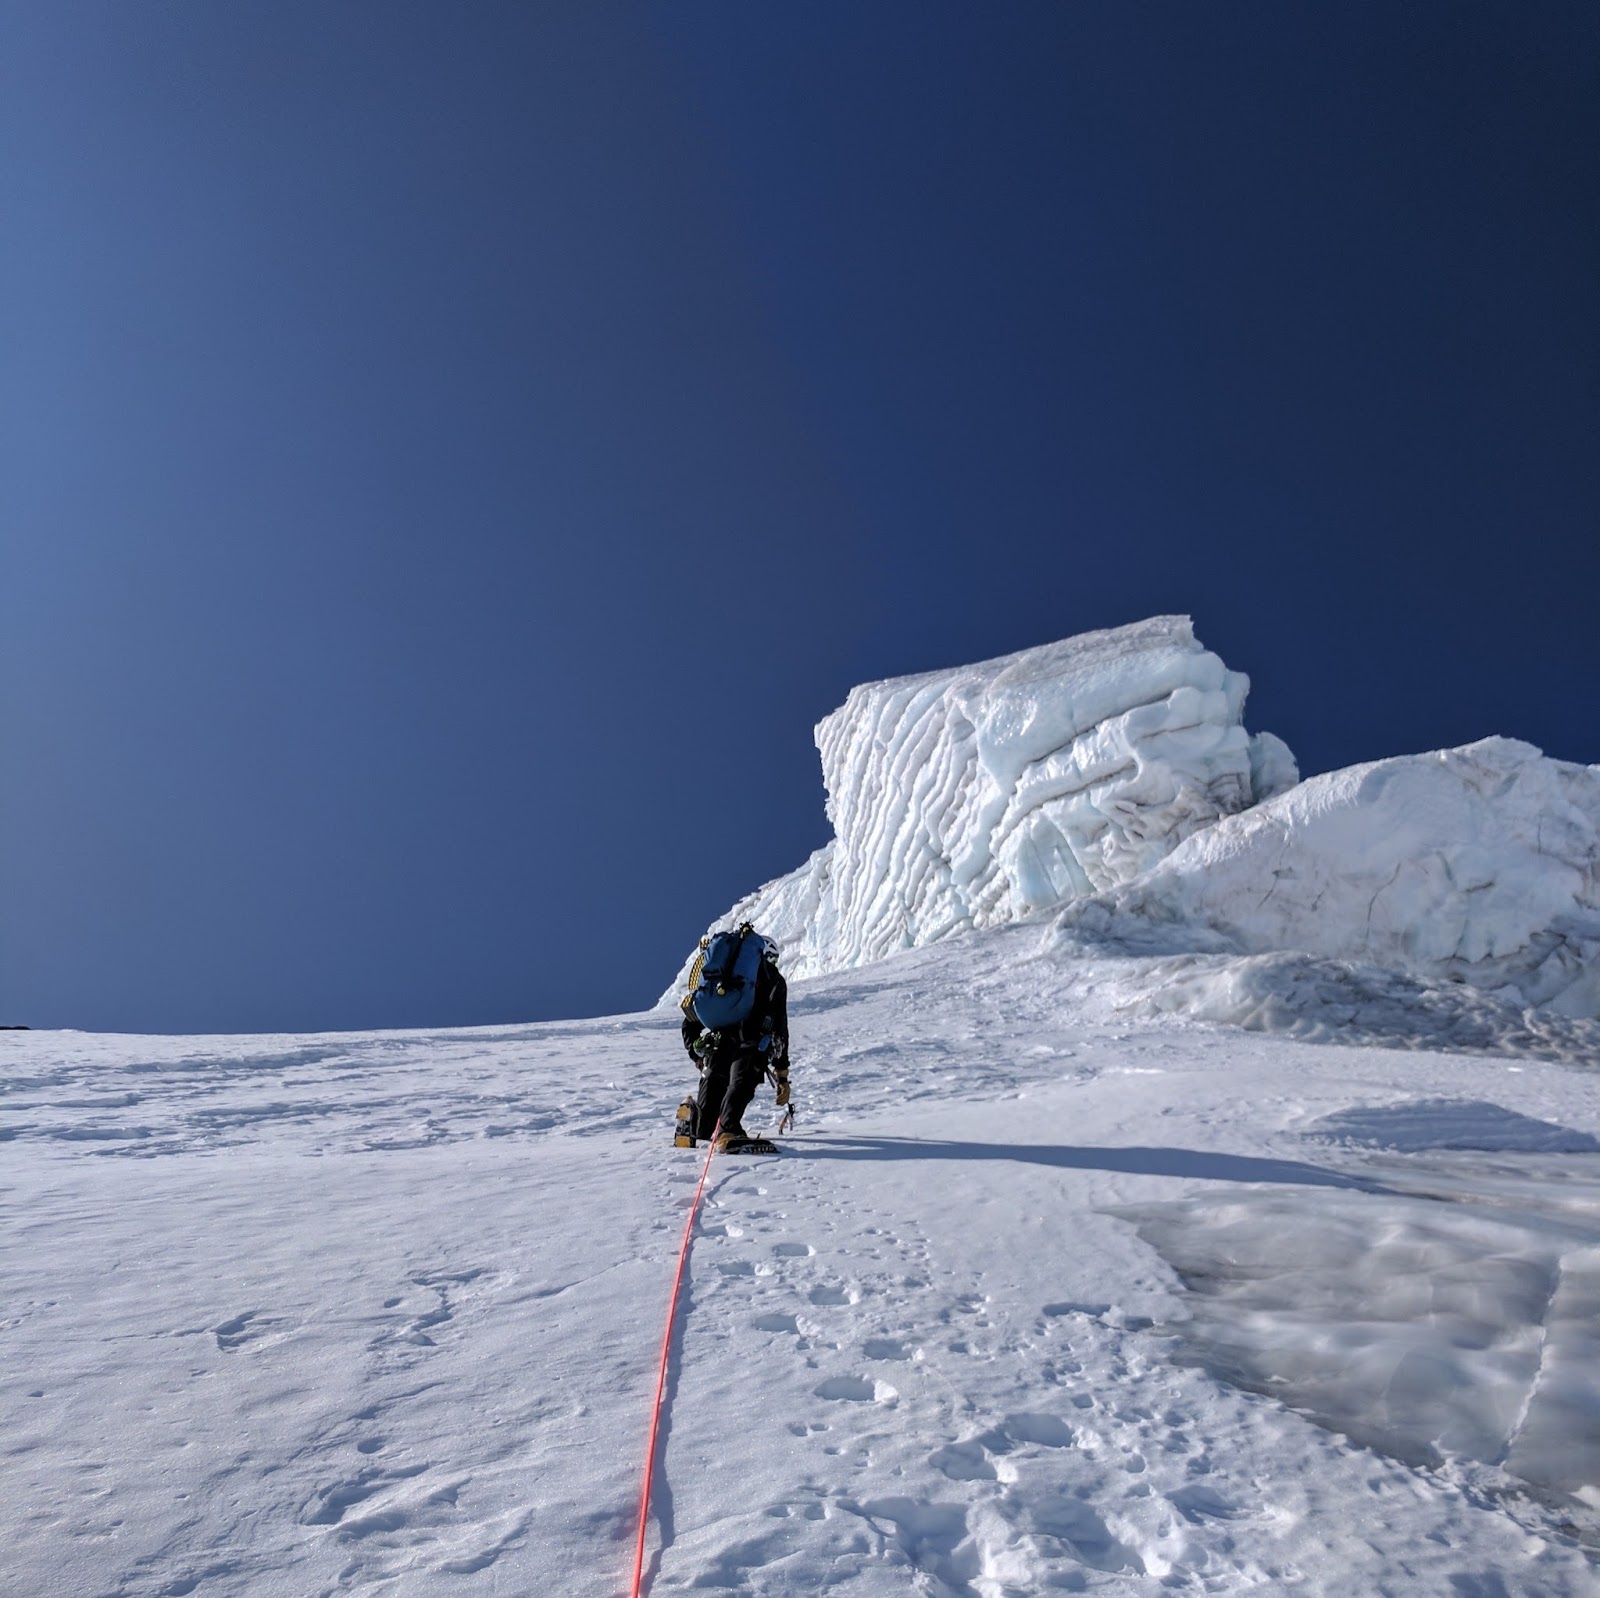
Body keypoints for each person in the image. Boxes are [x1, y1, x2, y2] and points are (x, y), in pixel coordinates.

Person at [679, 926, 790, 1149]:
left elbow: (690, 1021)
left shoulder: (721, 983)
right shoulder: (774, 980)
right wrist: (782, 1076)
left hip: (719, 1041)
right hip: (752, 1042)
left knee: (714, 1081)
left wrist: (696, 1054)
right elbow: (780, 1030)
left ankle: (695, 1121)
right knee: (741, 1081)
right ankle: (729, 1130)